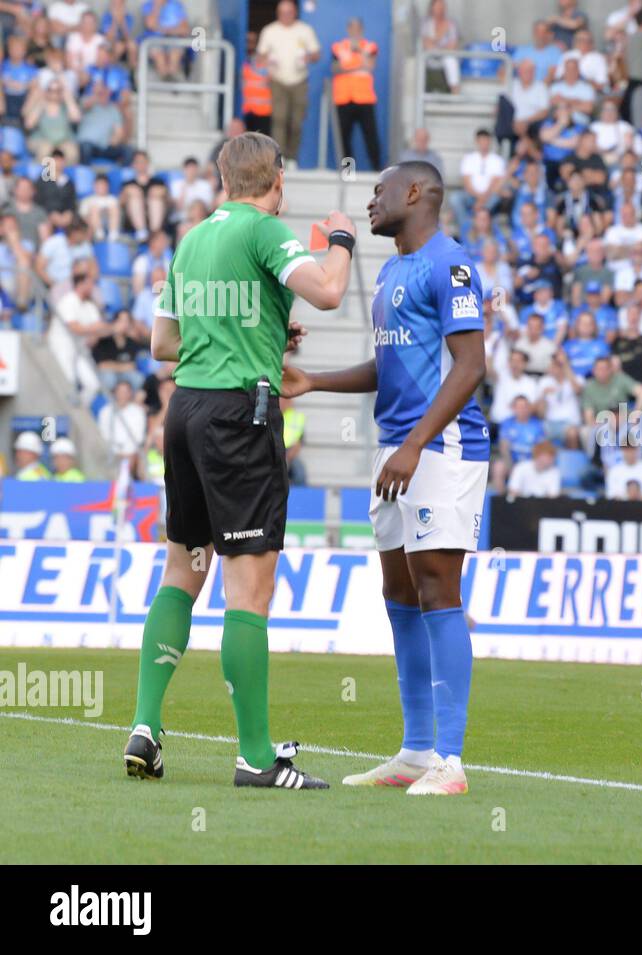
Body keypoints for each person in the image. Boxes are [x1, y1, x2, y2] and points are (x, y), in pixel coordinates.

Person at [124, 131, 355, 790]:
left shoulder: (192, 240)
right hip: (238, 417)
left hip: (185, 411)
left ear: (224, 178)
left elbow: (163, 342)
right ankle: (256, 755)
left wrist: (261, 327)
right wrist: (338, 240)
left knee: (182, 567)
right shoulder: (265, 229)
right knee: (248, 588)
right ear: (275, 180)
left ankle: (145, 723)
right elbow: (331, 291)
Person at [280, 160, 488, 797]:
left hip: (442, 448)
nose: (372, 200)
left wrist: (419, 445)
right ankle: (416, 750)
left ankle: (450, 762)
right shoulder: (395, 269)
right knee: (399, 593)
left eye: (381, 190)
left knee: (437, 588)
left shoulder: (450, 264)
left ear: (416, 193)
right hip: (394, 448)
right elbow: (389, 362)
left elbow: (471, 364)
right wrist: (314, 381)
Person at [256, 0, 320, 169]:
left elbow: (316, 53)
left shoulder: (305, 30)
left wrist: (307, 57)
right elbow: (260, 56)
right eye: (282, 13)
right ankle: (279, 157)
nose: (285, 16)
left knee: (296, 121)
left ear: (295, 13)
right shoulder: (269, 31)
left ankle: (292, 157)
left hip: (299, 80)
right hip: (277, 80)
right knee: (279, 119)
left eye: (289, 12)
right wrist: (268, 61)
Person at [331, 18, 382, 171]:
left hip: (365, 98)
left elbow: (371, 66)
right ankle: (348, 172)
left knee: (371, 136)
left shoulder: (369, 46)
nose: (355, 31)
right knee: (344, 138)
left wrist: (352, 60)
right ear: (348, 30)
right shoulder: (338, 47)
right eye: (352, 28)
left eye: (357, 28)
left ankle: (377, 170)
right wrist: (359, 64)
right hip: (343, 98)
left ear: (362, 30)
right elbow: (335, 68)